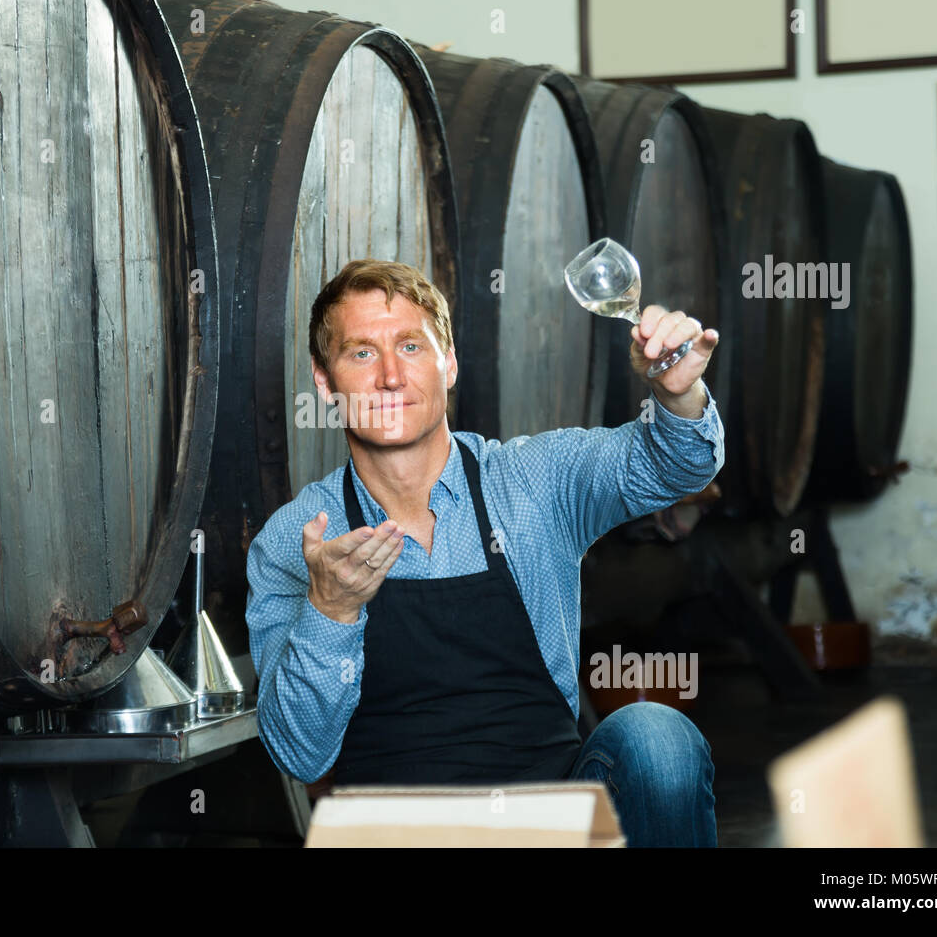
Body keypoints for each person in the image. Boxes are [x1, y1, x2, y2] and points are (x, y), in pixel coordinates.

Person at [245, 259, 724, 846]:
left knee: (657, 740)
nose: (391, 376)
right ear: (325, 382)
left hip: (553, 824)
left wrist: (678, 394)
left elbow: (678, 464)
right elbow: (299, 753)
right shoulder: (294, 540)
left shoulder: (533, 481)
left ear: (448, 363)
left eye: (412, 346)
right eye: (362, 353)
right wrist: (331, 612)